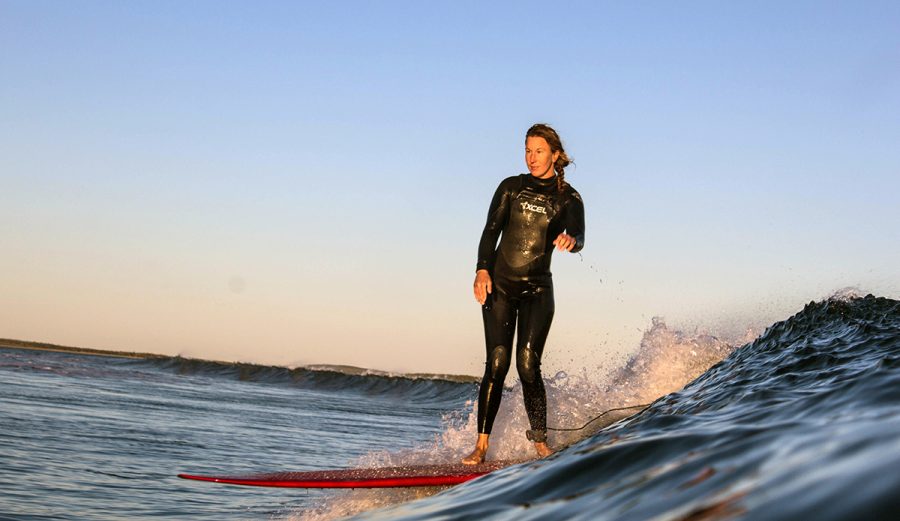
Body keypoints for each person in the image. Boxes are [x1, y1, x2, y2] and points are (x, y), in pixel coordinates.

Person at [463, 123, 585, 464]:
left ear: (555, 155)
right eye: (528, 150)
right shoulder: (511, 187)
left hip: (538, 289)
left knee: (528, 366)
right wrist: (482, 269)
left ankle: (541, 443)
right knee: (498, 364)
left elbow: (579, 235)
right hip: (500, 286)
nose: (532, 157)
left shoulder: (569, 198)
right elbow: (491, 231)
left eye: (539, 151)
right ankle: (481, 446)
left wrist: (571, 241)